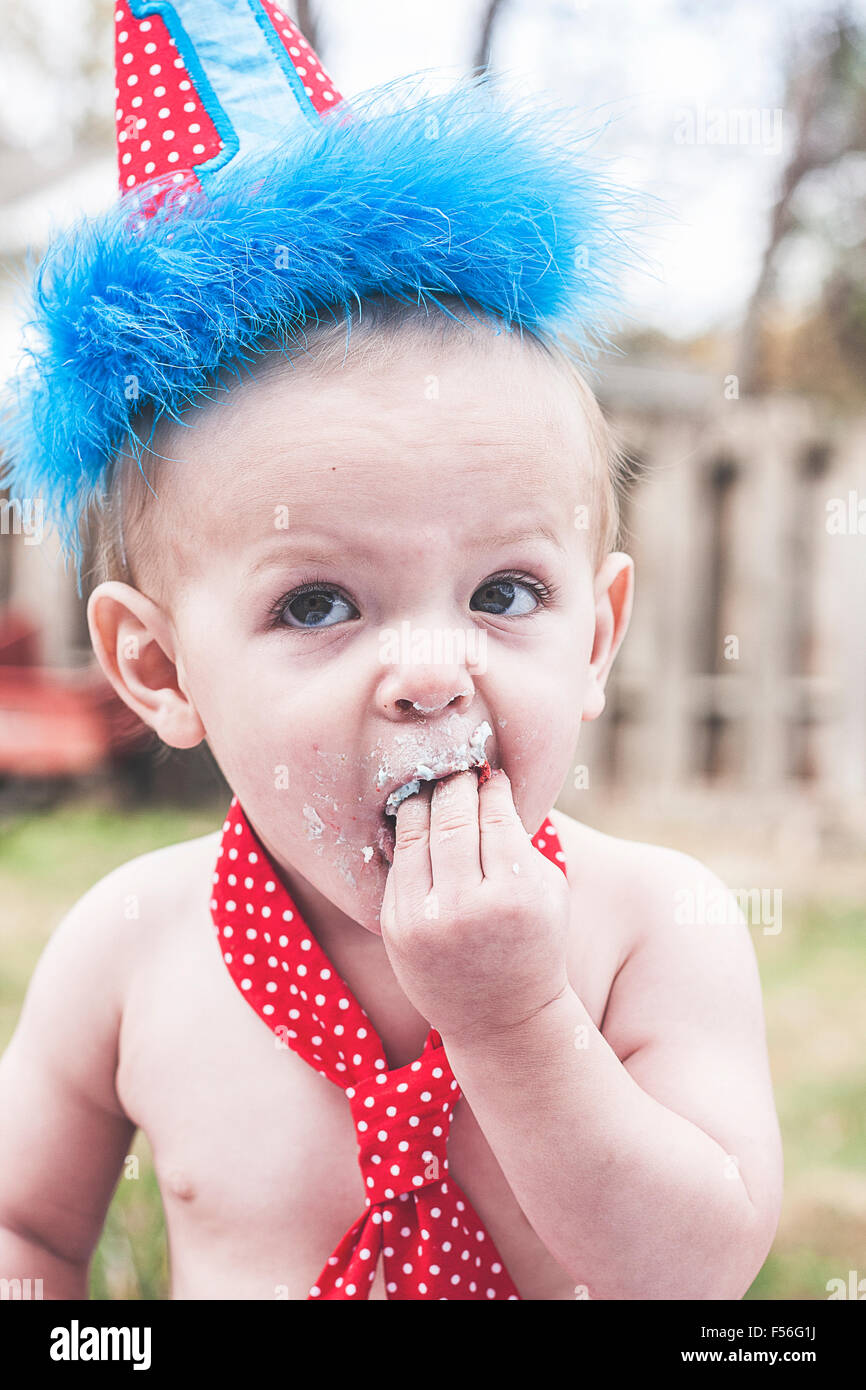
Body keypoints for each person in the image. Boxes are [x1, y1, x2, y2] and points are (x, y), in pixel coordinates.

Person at [0, 4, 781, 1300]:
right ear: (158, 669)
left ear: (595, 636)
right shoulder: (129, 944)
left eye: (503, 590)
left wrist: (516, 1022)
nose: (430, 669)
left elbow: (693, 1277)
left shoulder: (657, 928)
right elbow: (23, 1228)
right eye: (317, 603)